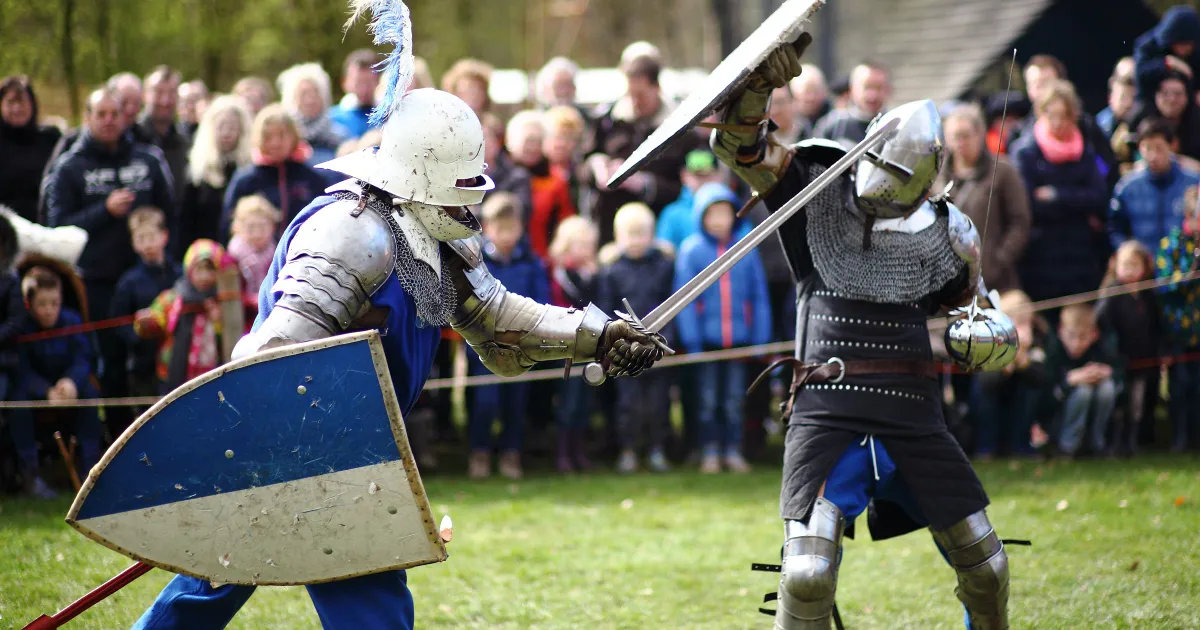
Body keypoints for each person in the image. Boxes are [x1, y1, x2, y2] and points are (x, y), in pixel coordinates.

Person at [133, 3, 664, 622]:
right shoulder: (349, 234)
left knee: (342, 607)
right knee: (208, 589)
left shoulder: (434, 233)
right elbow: (269, 363)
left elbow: (496, 320)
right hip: (295, 451)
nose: (470, 197)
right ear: (422, 177)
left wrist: (593, 334)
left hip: (356, 452)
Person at [710, 39, 1017, 628]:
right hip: (828, 408)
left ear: (927, 179)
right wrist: (759, 86)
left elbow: (975, 312)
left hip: (914, 412)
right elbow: (737, 145)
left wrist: (990, 333)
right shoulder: (815, 190)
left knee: (988, 569)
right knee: (806, 575)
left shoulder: (947, 235)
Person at [43, 87, 175, 426]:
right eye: (100, 114)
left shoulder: (148, 159)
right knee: (111, 362)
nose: (108, 120)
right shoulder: (69, 167)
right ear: (87, 118)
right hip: (99, 282)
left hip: (150, 277)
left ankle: (165, 433)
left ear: (125, 116)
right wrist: (104, 210)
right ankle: (117, 436)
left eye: (115, 113)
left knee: (159, 358)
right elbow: (56, 228)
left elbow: (172, 213)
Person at [675, 182, 770, 474]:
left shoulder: (745, 248)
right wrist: (691, 341)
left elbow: (759, 296)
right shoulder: (691, 251)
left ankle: (732, 450)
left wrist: (759, 339)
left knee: (732, 401)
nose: (719, 220)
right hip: (706, 343)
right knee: (706, 401)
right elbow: (684, 300)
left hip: (738, 342)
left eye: (724, 214)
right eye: (712, 214)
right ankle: (709, 451)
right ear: (701, 217)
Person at [463, 193, 549, 480]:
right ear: (487, 227)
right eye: (501, 228)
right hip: (483, 345)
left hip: (520, 347)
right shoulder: (474, 261)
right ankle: (480, 453)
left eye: (512, 228)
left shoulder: (531, 262)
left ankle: (511, 454)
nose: (507, 235)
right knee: (485, 403)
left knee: (515, 403)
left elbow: (541, 302)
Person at [1008, 80, 1108, 307]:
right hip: (1041, 257)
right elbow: (1029, 205)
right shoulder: (1025, 153)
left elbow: (1098, 197)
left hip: (1080, 255)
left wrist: (1057, 195)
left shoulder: (1085, 150)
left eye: (1063, 116)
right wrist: (1077, 199)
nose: (1057, 123)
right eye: (1050, 115)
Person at [11, 267, 103, 498]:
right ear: (28, 303)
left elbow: (84, 358)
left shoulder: (72, 320)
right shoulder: (21, 328)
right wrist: (45, 391)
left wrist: (71, 382)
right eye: (42, 304)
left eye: (55, 303)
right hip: (36, 391)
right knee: (16, 402)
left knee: (90, 394)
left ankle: (90, 473)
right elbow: (20, 369)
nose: (49, 310)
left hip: (69, 387)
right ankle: (30, 475)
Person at [598, 202, 675, 473]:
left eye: (641, 234)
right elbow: (605, 312)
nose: (635, 241)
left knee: (658, 404)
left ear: (651, 235)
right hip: (623, 350)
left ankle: (656, 449)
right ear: (618, 236)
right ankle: (628, 449)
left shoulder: (664, 266)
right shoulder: (611, 270)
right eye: (629, 234)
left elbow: (671, 306)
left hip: (656, 347)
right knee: (628, 405)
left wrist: (666, 342)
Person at [581, 55, 685, 245]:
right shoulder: (608, 122)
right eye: (631, 94)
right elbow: (581, 166)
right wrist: (596, 166)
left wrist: (645, 184)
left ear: (657, 88)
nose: (635, 102)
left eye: (641, 95)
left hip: (659, 232)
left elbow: (686, 187)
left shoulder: (680, 128)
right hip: (609, 231)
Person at [935, 104, 1031, 293]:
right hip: (950, 285)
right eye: (955, 136)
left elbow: (1020, 222)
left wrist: (998, 260)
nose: (960, 142)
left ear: (980, 134)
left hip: (997, 282)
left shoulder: (1003, 171)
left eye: (966, 135)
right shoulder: (937, 178)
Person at [110, 206, 182, 420]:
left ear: (164, 236)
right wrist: (138, 334)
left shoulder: (180, 275)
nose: (148, 244)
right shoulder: (129, 282)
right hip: (144, 362)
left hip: (177, 358)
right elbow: (118, 322)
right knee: (148, 415)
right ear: (134, 243)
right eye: (141, 238)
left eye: (152, 237)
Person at [134, 239, 230, 392]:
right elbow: (156, 319)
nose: (204, 276)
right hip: (174, 372)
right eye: (199, 270)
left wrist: (218, 321)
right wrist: (147, 321)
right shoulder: (173, 298)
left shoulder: (224, 301)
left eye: (210, 270)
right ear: (189, 269)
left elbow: (232, 336)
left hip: (214, 375)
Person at [221, 104, 326, 238]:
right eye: (268, 136)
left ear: (294, 137)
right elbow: (227, 227)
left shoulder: (313, 178)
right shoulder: (245, 180)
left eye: (281, 135)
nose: (275, 143)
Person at [1096, 241, 1160, 457]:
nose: (1130, 270)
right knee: (1118, 404)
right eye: (1125, 264)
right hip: (1118, 362)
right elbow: (1102, 324)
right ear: (1115, 265)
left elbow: (1155, 325)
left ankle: (1132, 443)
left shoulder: (1148, 295)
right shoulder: (1111, 294)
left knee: (1136, 406)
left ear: (1145, 267)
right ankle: (1114, 444)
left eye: (1135, 264)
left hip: (1142, 363)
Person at [546, 216, 600, 472]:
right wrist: (589, 280)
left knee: (583, 403)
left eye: (591, 245)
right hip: (566, 347)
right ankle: (563, 454)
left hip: (589, 347)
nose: (588, 251)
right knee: (567, 403)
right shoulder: (560, 274)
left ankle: (579, 451)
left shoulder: (592, 273)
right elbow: (573, 303)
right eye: (582, 245)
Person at [971, 290, 1048, 459]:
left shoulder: (1038, 336)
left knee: (1032, 388)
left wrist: (1023, 360)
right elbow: (985, 381)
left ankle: (1021, 445)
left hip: (1018, 399)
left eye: (1025, 321)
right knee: (983, 392)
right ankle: (986, 446)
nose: (1022, 327)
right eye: (1017, 321)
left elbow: (1041, 377)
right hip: (994, 400)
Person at [1109, 117, 1200, 253]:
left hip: (1184, 267)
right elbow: (1114, 227)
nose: (1153, 155)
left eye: (1159, 148)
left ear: (1172, 146)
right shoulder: (1127, 187)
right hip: (1142, 268)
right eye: (1147, 148)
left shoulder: (1193, 183)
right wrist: (1128, 254)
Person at [1154, 198, 1200, 452]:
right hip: (1178, 331)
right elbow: (1163, 286)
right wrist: (1189, 275)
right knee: (1180, 387)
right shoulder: (1171, 243)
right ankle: (1179, 437)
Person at [179, 95, 253, 251]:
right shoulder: (197, 170)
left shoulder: (250, 171)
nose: (226, 133)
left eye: (232, 127)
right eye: (221, 126)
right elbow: (185, 221)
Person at [1046, 303, 1119, 458]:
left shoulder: (1103, 349)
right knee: (1083, 391)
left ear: (1095, 334)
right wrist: (1068, 381)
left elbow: (1121, 380)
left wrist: (1108, 373)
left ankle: (1097, 445)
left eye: (1083, 337)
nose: (1076, 344)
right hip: (1058, 419)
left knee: (1107, 388)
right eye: (1071, 336)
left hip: (1095, 410)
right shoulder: (1053, 351)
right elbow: (1044, 401)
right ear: (1061, 331)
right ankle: (1067, 447)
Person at [505, 110, 576, 259]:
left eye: (538, 141)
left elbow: (566, 223)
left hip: (541, 260)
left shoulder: (556, 180)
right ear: (511, 141)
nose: (533, 147)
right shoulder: (500, 176)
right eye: (528, 140)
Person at [0, 75, 62, 223]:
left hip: (46, 226)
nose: (17, 108)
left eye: (22, 102)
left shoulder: (51, 138)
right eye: (10, 102)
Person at [131, 65, 192, 206]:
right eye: (158, 93)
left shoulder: (185, 143)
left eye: (171, 93)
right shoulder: (130, 139)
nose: (165, 101)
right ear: (145, 95)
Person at [277, 62, 348, 166]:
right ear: (292, 98)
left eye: (316, 93)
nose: (310, 99)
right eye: (304, 93)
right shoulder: (285, 136)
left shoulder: (339, 135)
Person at [656, 150, 727, 250]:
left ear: (718, 176)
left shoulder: (731, 208)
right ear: (684, 175)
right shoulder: (672, 214)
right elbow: (663, 252)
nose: (702, 181)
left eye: (707, 175)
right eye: (697, 176)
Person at [226, 195, 281, 324]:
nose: (257, 234)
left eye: (262, 227)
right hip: (241, 323)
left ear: (272, 227)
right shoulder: (231, 259)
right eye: (250, 228)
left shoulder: (278, 254)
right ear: (237, 227)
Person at [812, 61, 890, 148]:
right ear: (852, 89)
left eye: (878, 87)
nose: (872, 95)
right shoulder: (833, 125)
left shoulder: (895, 126)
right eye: (867, 87)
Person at [1133, 5, 1200, 102]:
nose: (1185, 49)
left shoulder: (1196, 51)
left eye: (1189, 45)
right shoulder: (1148, 46)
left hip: (1188, 103)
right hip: (1152, 101)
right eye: (1181, 44)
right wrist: (1167, 64)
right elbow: (1141, 74)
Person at [1146, 72, 1200, 162]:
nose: (1172, 99)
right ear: (1156, 96)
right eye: (1165, 94)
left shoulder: (1197, 122)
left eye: (1178, 94)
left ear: (1187, 97)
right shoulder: (1142, 118)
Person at [543, 104, 588, 209]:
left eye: (568, 137)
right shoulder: (535, 172)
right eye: (556, 136)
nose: (562, 144)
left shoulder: (581, 173)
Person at [328, 50, 380, 140]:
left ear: (378, 81)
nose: (364, 89)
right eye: (358, 83)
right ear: (345, 83)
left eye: (368, 82)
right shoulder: (332, 120)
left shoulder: (388, 116)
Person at [790, 64, 830, 129]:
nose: (811, 97)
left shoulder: (833, 121)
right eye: (807, 92)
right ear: (794, 94)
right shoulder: (788, 120)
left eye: (816, 91)